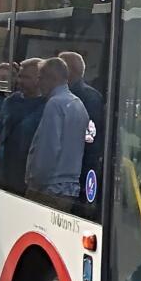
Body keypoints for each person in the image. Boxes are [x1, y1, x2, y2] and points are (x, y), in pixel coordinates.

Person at [27, 56, 87, 198]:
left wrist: (34, 182)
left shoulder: (55, 104)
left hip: (50, 187)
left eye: (41, 78)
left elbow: (48, 148)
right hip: (71, 186)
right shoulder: (78, 104)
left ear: (52, 78)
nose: (38, 83)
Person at [56, 51, 105, 193]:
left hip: (77, 169)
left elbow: (90, 138)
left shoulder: (89, 98)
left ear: (70, 71)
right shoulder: (56, 94)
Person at [0, 58, 46, 191]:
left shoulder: (49, 106)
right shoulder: (10, 101)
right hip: (4, 173)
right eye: (19, 76)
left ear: (39, 79)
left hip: (28, 177)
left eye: (26, 77)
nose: (20, 81)